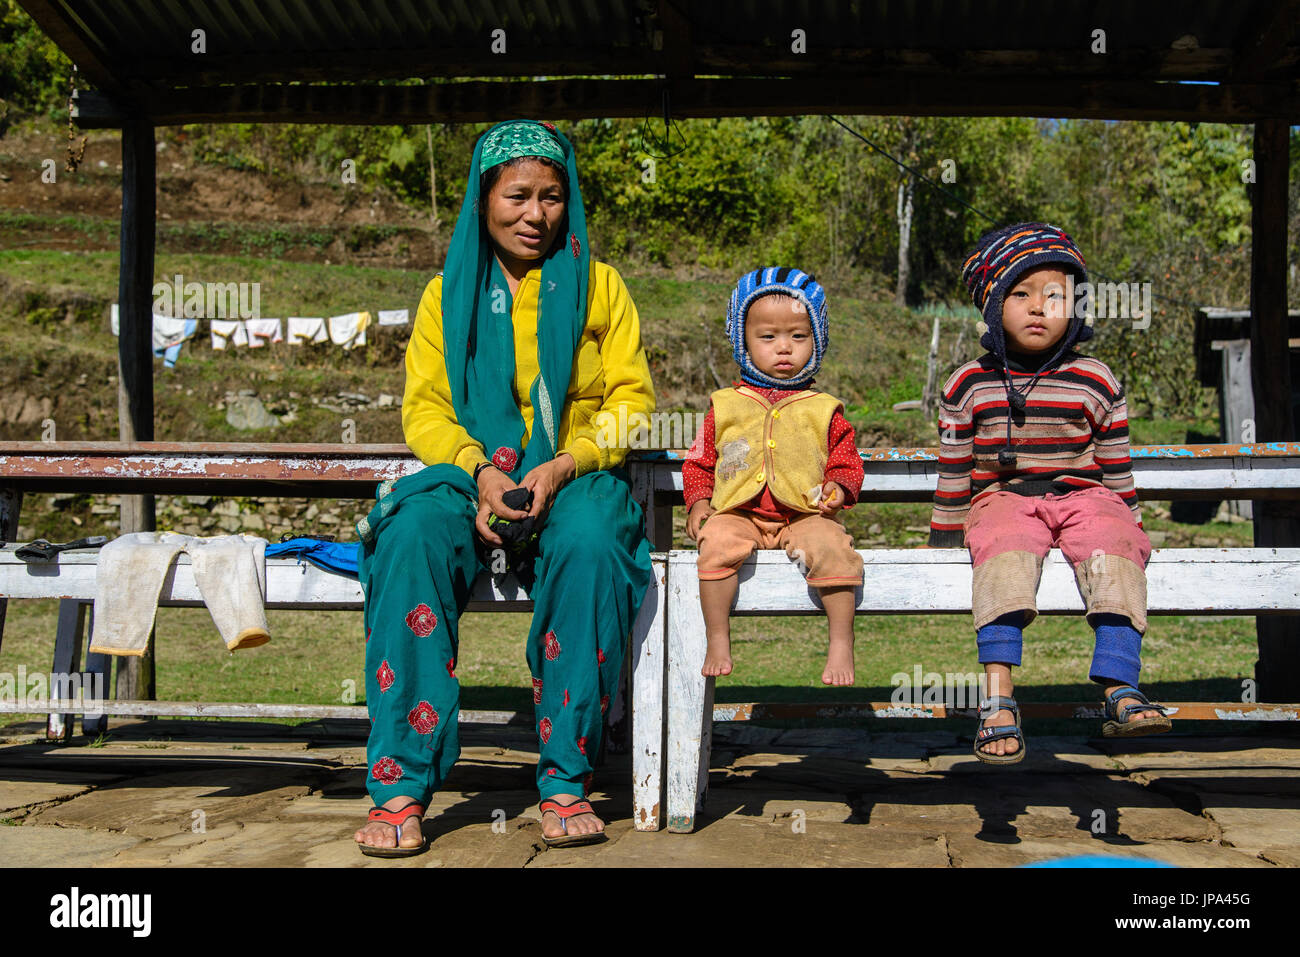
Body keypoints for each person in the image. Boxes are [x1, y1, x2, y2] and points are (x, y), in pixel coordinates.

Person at [353, 119, 655, 855]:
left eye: (552, 196)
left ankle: (565, 778)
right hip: (471, 475)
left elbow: (634, 403)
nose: (536, 213)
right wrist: (481, 473)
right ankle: (398, 784)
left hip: (571, 475)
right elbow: (424, 406)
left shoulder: (601, 287)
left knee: (589, 539)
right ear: (482, 199)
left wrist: (562, 465)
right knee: (413, 533)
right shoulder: (444, 295)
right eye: (517, 195)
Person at [927, 223, 1170, 765]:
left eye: (1055, 295)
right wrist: (943, 539)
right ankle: (998, 699)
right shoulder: (968, 384)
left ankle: (1120, 687)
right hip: (1004, 499)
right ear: (992, 306)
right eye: (1020, 295)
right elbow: (955, 468)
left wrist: (1130, 523)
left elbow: (1115, 465)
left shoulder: (1096, 380)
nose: (1038, 308)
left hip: (1086, 498)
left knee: (1113, 549)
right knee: (1006, 549)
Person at [684, 268, 865, 685]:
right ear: (742, 341)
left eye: (799, 336)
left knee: (833, 548)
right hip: (739, 511)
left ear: (817, 340)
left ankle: (840, 640)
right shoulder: (725, 404)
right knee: (715, 543)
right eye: (768, 337)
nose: (784, 348)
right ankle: (718, 636)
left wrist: (838, 489)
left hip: (804, 514)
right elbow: (699, 461)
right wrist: (698, 502)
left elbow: (845, 461)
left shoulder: (824, 408)